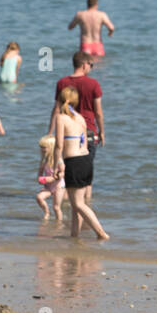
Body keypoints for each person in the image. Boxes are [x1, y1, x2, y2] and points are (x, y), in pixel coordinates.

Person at [54, 86, 108, 239]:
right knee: (75, 204)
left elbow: (58, 145)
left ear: (60, 100)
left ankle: (101, 233)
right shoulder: (80, 118)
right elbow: (84, 143)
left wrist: (58, 164)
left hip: (74, 162)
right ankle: (74, 236)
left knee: (78, 204)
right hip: (86, 160)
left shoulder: (61, 118)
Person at [52, 52, 104, 195]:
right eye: (91, 65)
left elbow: (56, 109)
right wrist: (102, 132)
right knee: (86, 172)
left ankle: (71, 207)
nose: (91, 68)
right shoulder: (93, 84)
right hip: (87, 131)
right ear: (84, 65)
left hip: (66, 132)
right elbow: (98, 112)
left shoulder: (62, 83)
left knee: (67, 172)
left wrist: (51, 132)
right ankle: (86, 204)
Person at [36, 135, 65, 221]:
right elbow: (40, 172)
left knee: (56, 207)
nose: (42, 149)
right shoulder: (44, 160)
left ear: (51, 148)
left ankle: (59, 222)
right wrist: (40, 179)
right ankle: (47, 212)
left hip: (59, 186)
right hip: (48, 186)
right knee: (39, 197)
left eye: (44, 147)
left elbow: (63, 172)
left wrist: (53, 178)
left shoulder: (58, 160)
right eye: (41, 147)